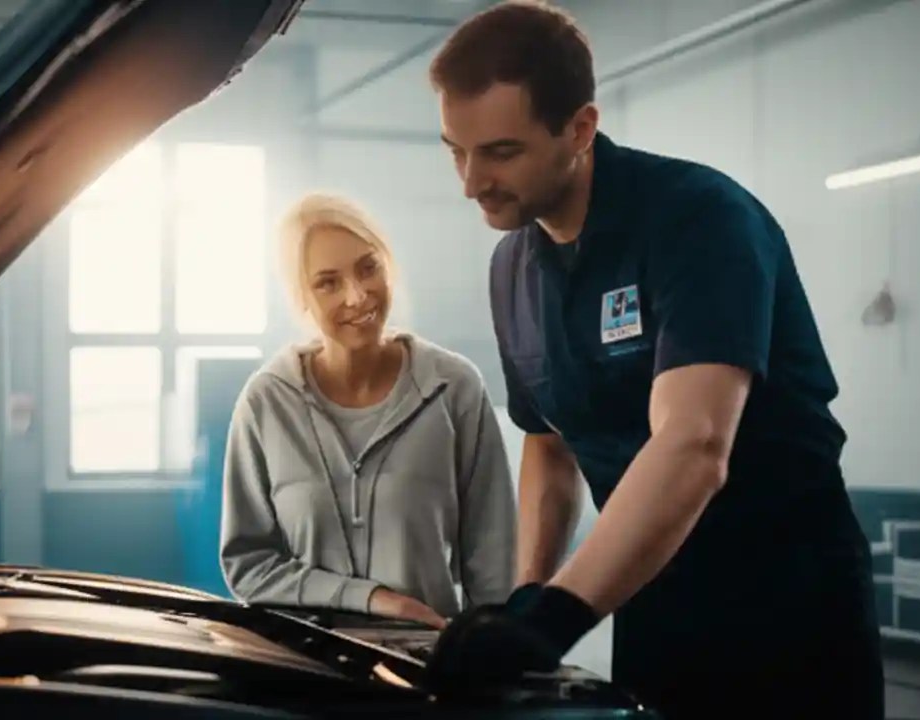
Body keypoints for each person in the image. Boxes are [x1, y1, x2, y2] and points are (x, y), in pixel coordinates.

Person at [420, 2, 885, 718]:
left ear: (579, 128)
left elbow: (694, 444)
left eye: (500, 152)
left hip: (786, 600)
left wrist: (553, 621)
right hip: (649, 589)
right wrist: (525, 599)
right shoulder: (511, 268)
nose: (469, 182)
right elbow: (549, 446)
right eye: (456, 150)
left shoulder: (698, 220)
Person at [219, 191, 516, 629]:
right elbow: (248, 566)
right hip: (307, 674)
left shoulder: (455, 388)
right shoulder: (266, 402)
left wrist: (488, 658)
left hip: (425, 669)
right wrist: (376, 600)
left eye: (368, 268)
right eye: (328, 282)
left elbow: (493, 566)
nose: (357, 296)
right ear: (301, 295)